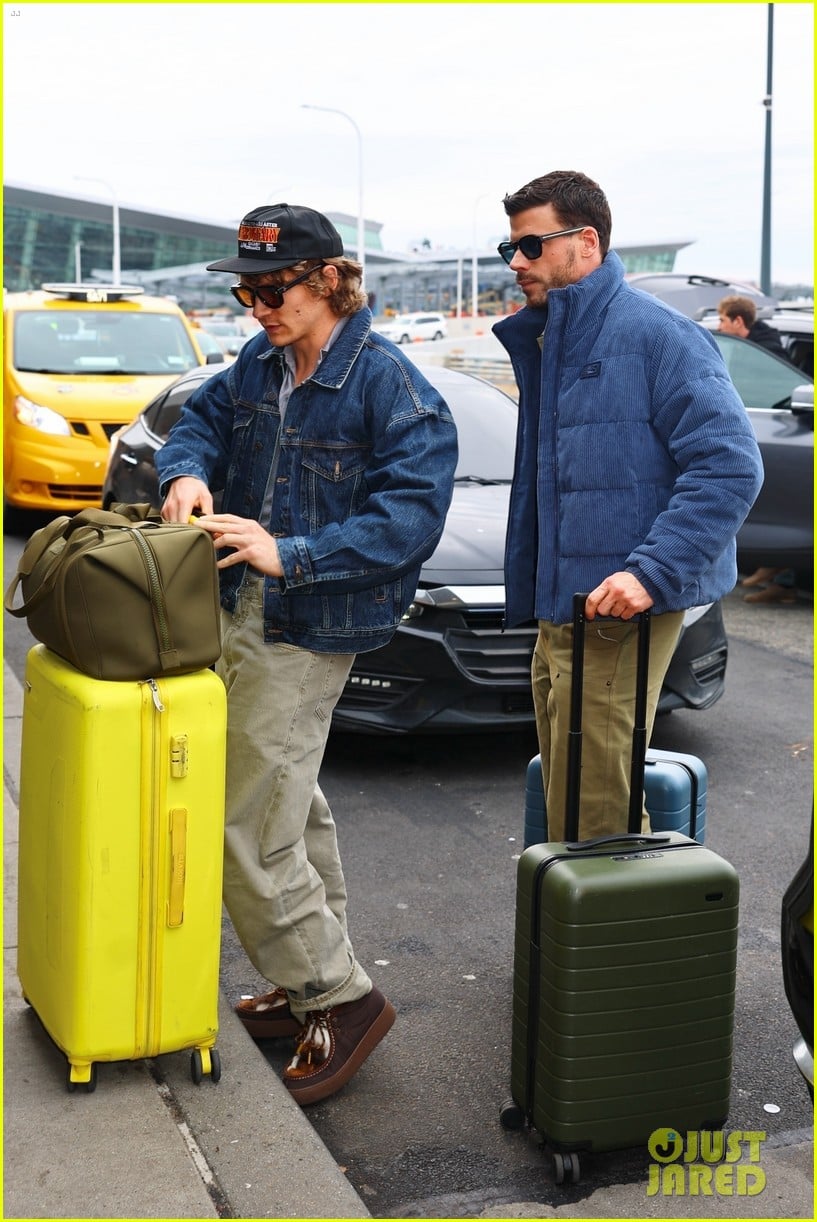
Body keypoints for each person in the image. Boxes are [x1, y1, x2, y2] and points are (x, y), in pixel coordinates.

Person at [156, 203, 458, 1105]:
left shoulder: (393, 388)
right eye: (245, 289)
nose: (256, 306)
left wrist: (292, 552)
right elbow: (197, 420)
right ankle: (307, 983)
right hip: (239, 610)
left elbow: (409, 522)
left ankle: (339, 997)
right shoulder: (262, 360)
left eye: (273, 287)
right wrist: (186, 472)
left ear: (330, 278)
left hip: (310, 622)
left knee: (241, 825)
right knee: (288, 805)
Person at [492, 171, 764, 841]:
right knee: (568, 787)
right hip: (568, 605)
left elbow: (729, 466)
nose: (516, 264)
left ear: (584, 242)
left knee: (596, 802)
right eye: (510, 250)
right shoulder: (554, 340)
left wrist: (648, 572)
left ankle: (614, 935)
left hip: (621, 606)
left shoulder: (657, 337)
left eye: (529, 246)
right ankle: (572, 934)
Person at [716, 295, 798, 603]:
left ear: (738, 322)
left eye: (723, 320)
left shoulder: (764, 355)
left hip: (780, 437)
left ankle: (781, 575)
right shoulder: (755, 346)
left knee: (782, 505)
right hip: (773, 437)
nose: (720, 327)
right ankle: (772, 567)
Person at [717, 293, 786, 356]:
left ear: (738, 321)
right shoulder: (740, 345)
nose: (719, 328)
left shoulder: (765, 352)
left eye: (722, 321)